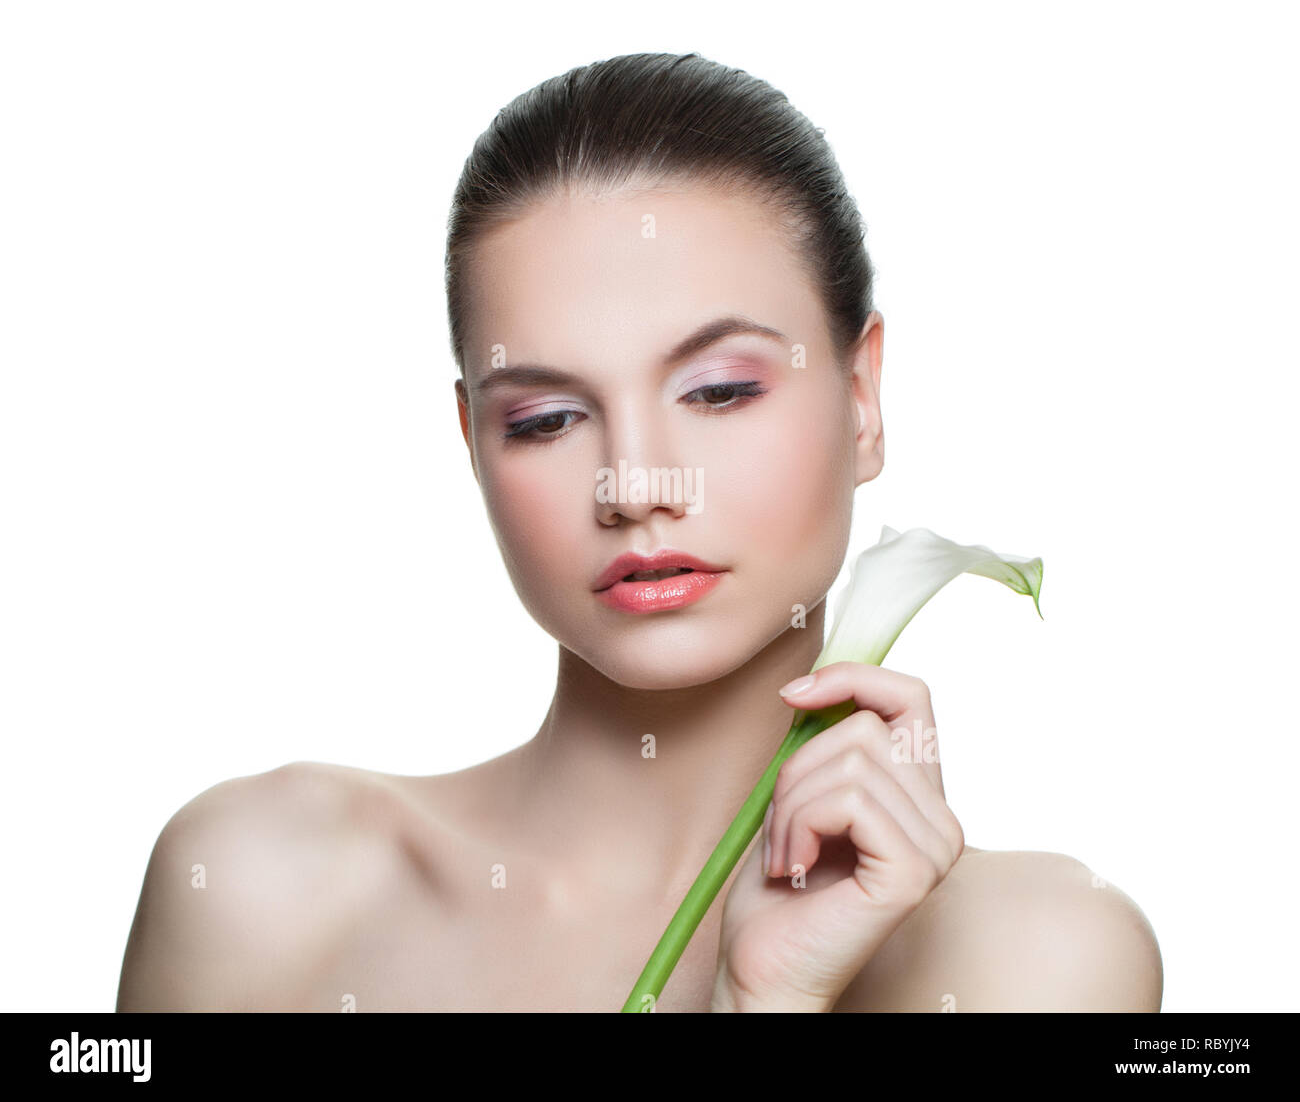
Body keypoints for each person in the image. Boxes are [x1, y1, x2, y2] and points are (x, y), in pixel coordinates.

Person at [116, 52, 1162, 1012]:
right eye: (545, 418)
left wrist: (767, 1001)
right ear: (473, 443)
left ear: (860, 398)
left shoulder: (1037, 957)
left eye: (716, 390)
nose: (632, 483)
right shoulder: (262, 889)